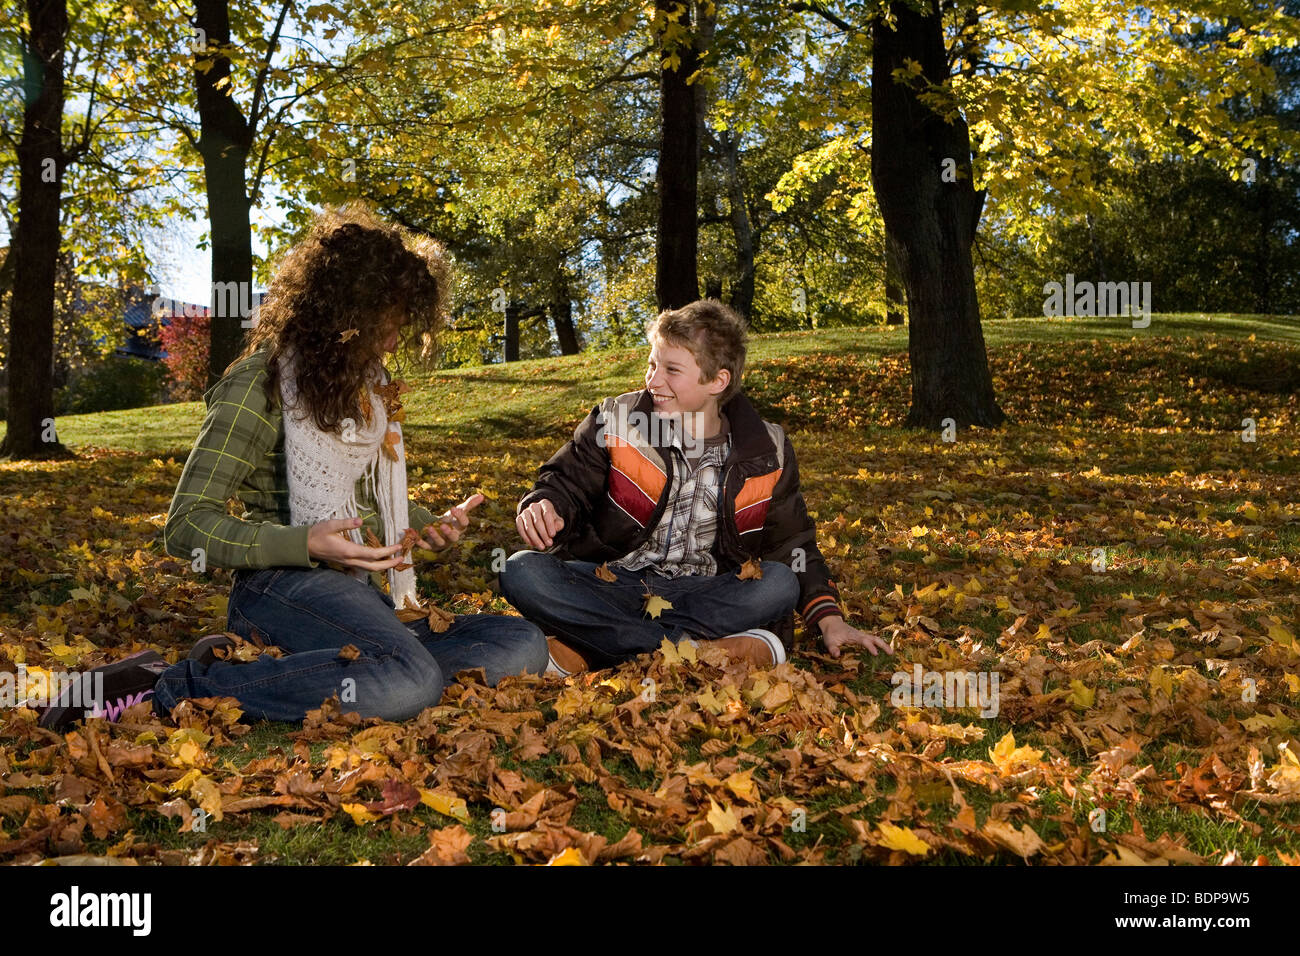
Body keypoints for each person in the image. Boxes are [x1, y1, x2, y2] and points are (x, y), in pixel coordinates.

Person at [39, 204, 546, 731]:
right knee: (411, 681)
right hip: (279, 586)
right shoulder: (258, 385)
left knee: (519, 642)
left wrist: (426, 525)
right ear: (345, 314)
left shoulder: (367, 388)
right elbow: (186, 524)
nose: (394, 342)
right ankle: (174, 684)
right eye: (386, 325)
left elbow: (361, 500)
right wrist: (304, 543)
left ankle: (309, 672)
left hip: (356, 594)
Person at [498, 298, 893, 676]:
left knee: (777, 583)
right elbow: (566, 482)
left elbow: (792, 544)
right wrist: (546, 504)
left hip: (706, 594)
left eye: (671, 370)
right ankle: (706, 651)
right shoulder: (616, 419)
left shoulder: (767, 448)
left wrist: (830, 620)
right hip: (613, 583)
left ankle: (594, 647)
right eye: (651, 365)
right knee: (522, 572)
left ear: (717, 381)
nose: (653, 380)